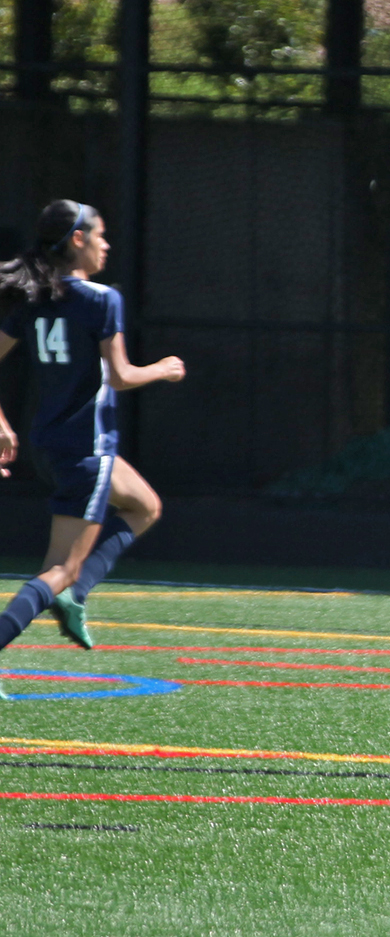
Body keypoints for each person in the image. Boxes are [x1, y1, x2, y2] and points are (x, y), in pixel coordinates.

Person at [0, 200, 184, 689]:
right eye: (100, 235)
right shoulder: (102, 299)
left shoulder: (34, 298)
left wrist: (0, 422)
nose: (107, 244)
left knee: (145, 506)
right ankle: (58, 596)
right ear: (77, 239)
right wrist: (164, 369)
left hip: (47, 442)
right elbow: (121, 376)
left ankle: (75, 593)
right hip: (86, 447)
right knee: (59, 566)